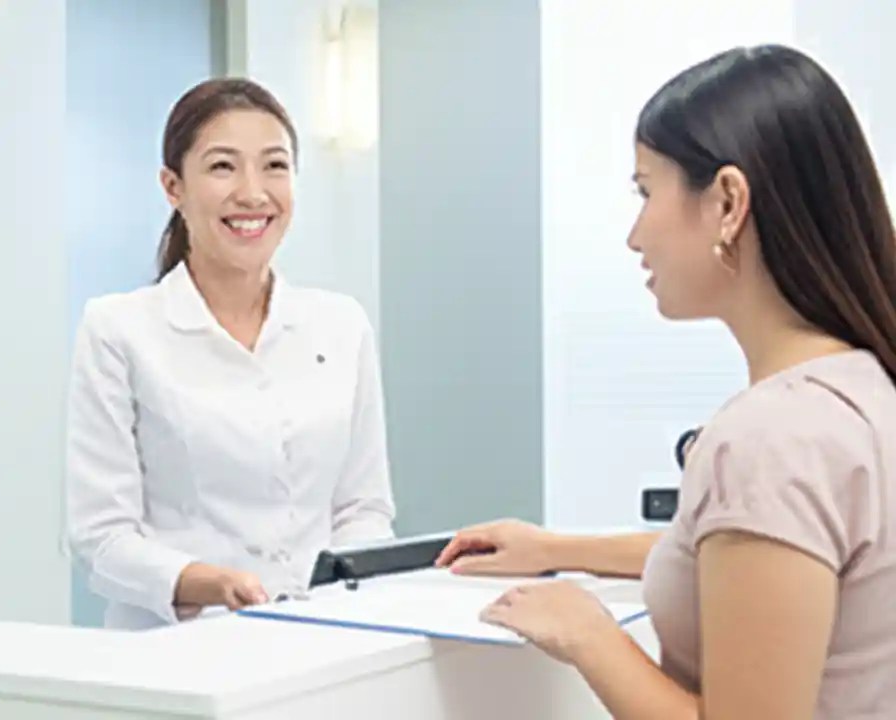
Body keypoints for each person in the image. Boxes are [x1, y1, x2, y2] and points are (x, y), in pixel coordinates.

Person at [437, 45, 896, 719]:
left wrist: (589, 636)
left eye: (646, 191)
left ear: (728, 202)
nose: (634, 235)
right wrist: (556, 549)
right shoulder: (863, 391)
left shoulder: (771, 439)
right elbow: (762, 560)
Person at [65, 78, 396, 630]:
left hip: (325, 642)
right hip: (177, 650)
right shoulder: (118, 329)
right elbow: (101, 537)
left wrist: (349, 595)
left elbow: (363, 509)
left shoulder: (342, 325)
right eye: (223, 167)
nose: (252, 193)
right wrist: (208, 581)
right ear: (173, 186)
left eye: (274, 166)